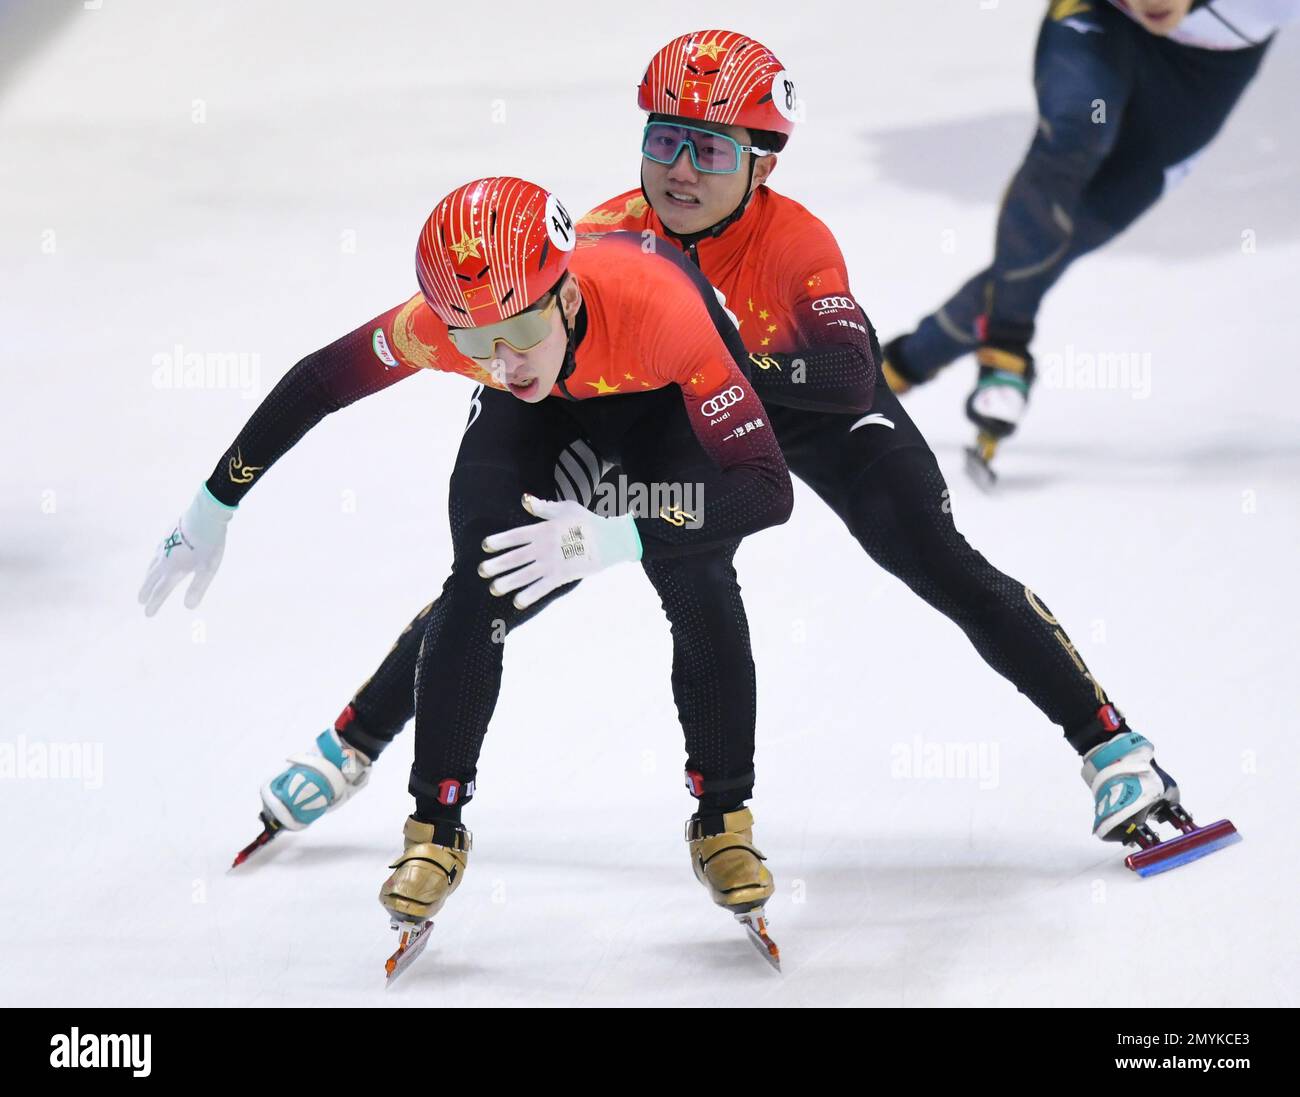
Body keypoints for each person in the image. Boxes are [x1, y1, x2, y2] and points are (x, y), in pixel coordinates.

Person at [251, 29, 1202, 893]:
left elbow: (843, 372)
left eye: (710, 149)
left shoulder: (795, 241)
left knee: (938, 561)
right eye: (663, 140)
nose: (680, 168)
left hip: (815, 416)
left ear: (763, 161)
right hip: (687, 415)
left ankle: (1111, 746)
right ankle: (355, 740)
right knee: (513, 568)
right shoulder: (612, 229)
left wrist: (722, 353)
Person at [138, 175, 800, 928]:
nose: (502, 363)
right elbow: (321, 380)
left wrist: (619, 532)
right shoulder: (459, 334)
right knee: (485, 579)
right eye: (476, 344)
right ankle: (434, 828)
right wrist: (214, 501)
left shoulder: (662, 309)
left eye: (517, 334)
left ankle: (724, 817)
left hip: (665, 405)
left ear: (569, 300)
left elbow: (768, 491)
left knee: (699, 576)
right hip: (552, 418)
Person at [882, 0, 1299, 478]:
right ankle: (1004, 351)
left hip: (1196, 92)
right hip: (1100, 24)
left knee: (1061, 239)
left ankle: (897, 367)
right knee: (1076, 130)